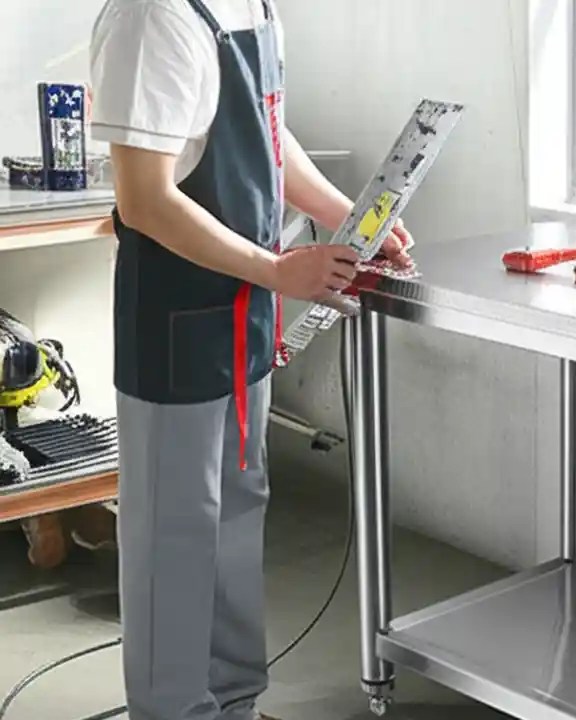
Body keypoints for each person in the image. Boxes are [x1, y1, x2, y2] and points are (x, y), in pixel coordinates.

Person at [89, 1, 413, 718]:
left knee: (236, 517)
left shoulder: (254, 6)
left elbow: (269, 132)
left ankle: (234, 703)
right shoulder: (153, 17)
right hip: (175, 324)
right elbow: (143, 199)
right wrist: (275, 270)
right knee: (174, 533)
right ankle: (172, 710)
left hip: (243, 318)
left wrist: (351, 218)